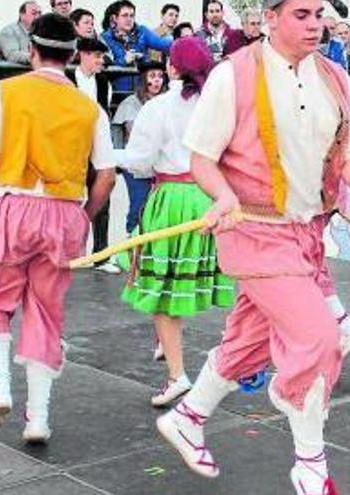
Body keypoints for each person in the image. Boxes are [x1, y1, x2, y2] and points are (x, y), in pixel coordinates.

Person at [154, 2, 350, 493]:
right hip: (254, 230)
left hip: (306, 234)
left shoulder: (335, 77)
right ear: (270, 17)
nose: (315, 24)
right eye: (301, 14)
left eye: (319, 14)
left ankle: (189, 415)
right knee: (320, 338)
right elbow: (201, 158)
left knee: (248, 341)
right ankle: (311, 467)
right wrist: (222, 196)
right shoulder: (232, 75)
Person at [0, 13, 115, 444]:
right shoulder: (89, 107)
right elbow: (107, 176)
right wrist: (83, 214)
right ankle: (37, 418)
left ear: (32, 52)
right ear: (72, 54)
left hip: (13, 203)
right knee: (45, 314)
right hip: (63, 214)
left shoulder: (6, 91)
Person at [116, 37, 234, 407]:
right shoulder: (221, 106)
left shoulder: (161, 107)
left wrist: (108, 155)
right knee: (213, 283)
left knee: (161, 292)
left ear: (173, 67)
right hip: (214, 197)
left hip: (173, 198)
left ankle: (177, 374)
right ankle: (229, 361)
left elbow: (139, 161)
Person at [68, 37, 120, 274]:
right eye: (97, 56)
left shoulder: (103, 83)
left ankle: (101, 255)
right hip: (71, 151)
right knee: (67, 202)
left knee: (102, 201)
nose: (101, 61)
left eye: (102, 56)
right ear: (83, 55)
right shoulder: (66, 79)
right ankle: (65, 253)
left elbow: (103, 117)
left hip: (95, 149)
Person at [112, 60, 166, 235]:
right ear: (143, 79)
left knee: (158, 209)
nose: (157, 80)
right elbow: (118, 131)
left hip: (161, 163)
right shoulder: (129, 104)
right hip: (136, 164)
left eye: (160, 76)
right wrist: (118, 161)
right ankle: (131, 246)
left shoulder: (168, 102)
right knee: (138, 205)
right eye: (152, 76)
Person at [101, 0, 172, 95]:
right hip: (117, 93)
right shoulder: (104, 38)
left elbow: (164, 44)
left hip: (142, 92)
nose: (129, 19)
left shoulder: (142, 32)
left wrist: (186, 40)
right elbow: (102, 65)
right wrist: (124, 60)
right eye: (125, 15)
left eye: (132, 16)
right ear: (114, 18)